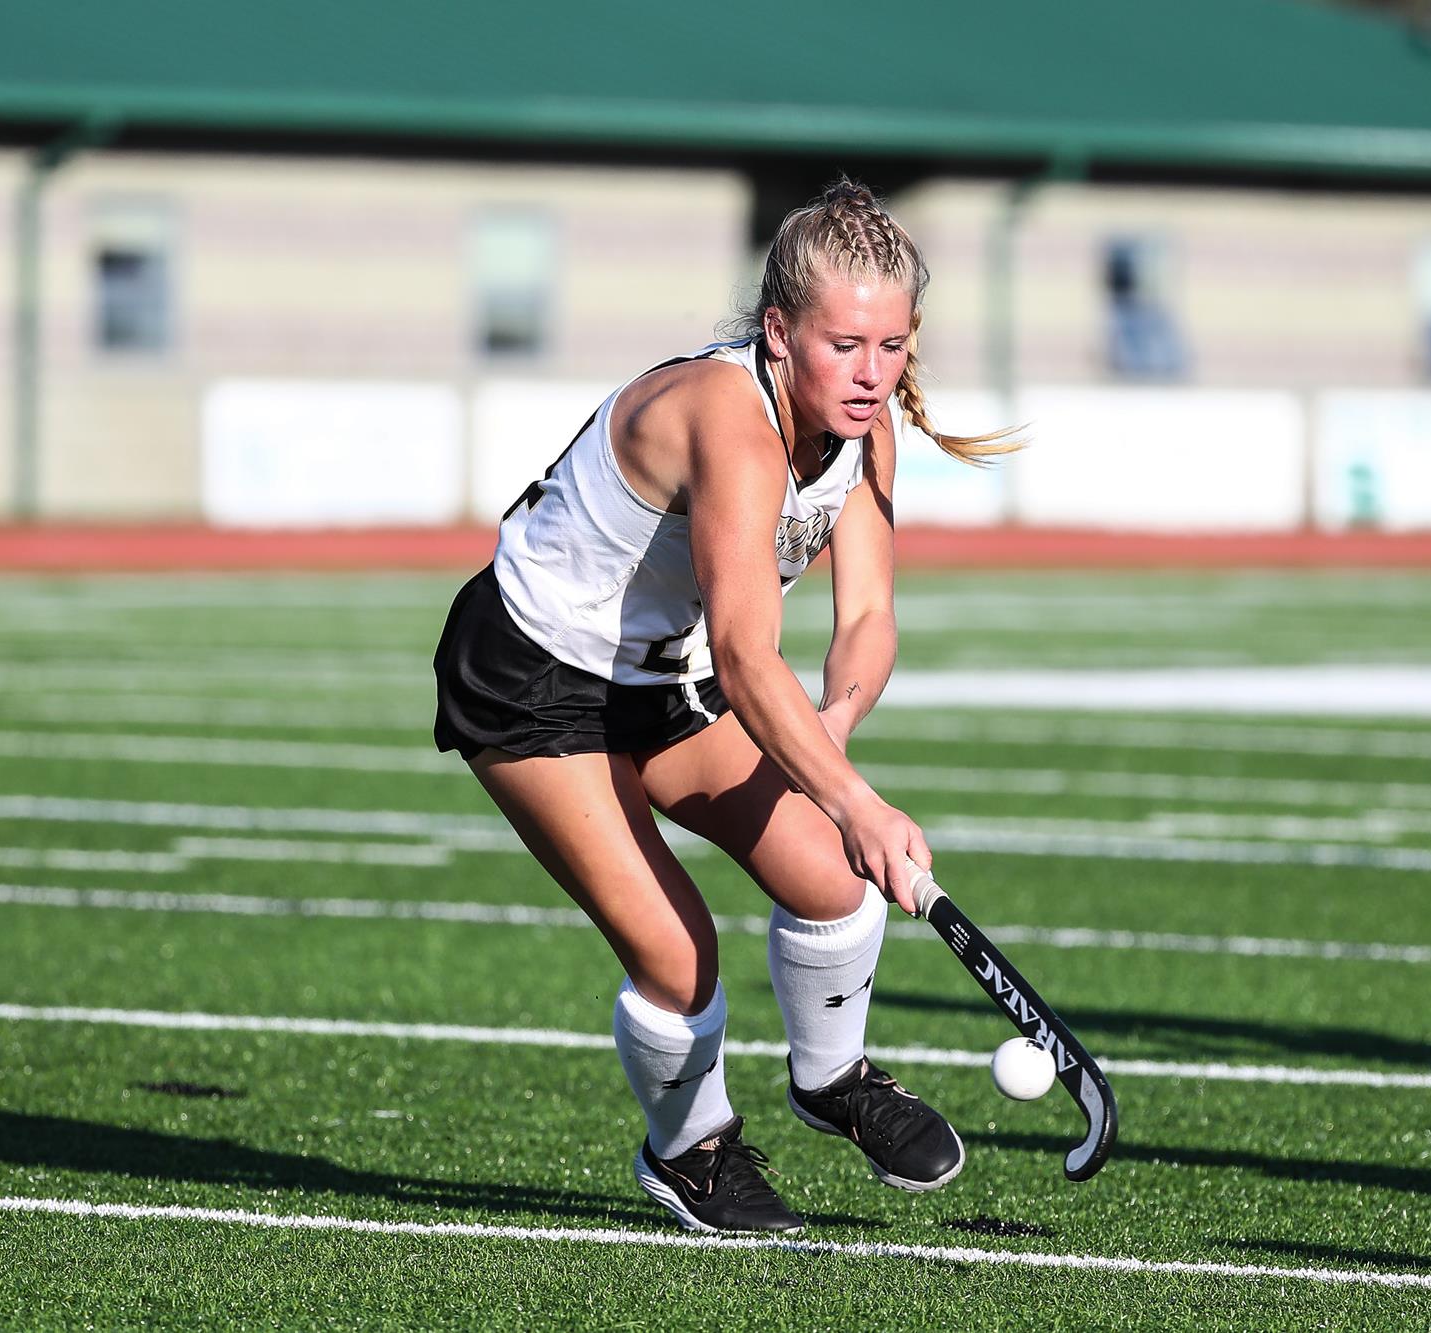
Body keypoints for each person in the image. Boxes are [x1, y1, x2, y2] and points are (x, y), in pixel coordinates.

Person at [433, 178, 1018, 1234]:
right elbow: (749, 657)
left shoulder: (863, 427)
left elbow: (867, 617)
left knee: (833, 881)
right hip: (535, 675)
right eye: (845, 345)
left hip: (667, 678)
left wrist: (830, 735)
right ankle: (689, 1152)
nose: (871, 373)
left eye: (892, 346)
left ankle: (830, 1078)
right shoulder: (728, 421)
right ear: (779, 332)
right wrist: (851, 797)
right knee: (679, 954)